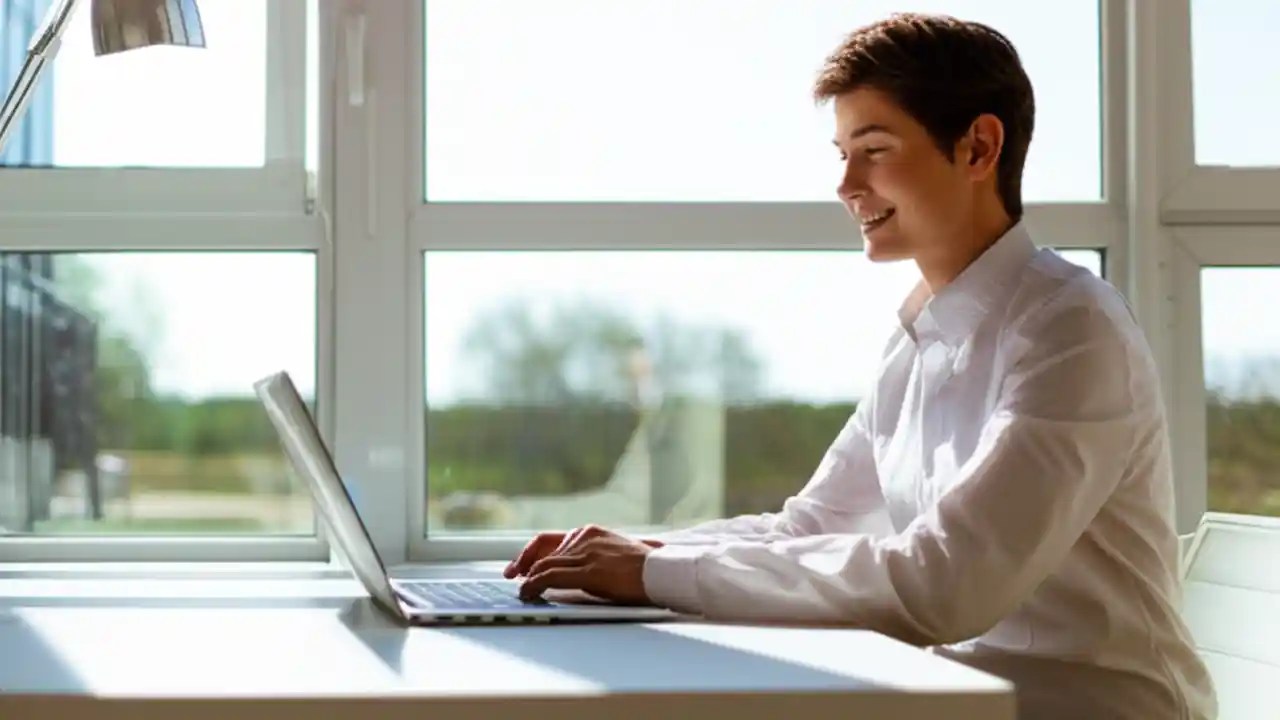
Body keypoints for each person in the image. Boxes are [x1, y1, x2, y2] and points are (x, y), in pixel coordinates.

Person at [503, 13, 1216, 720]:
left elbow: (945, 585)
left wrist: (653, 571)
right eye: (842, 152)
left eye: (873, 149)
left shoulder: (1072, 328)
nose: (846, 183)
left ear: (978, 147)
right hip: (953, 703)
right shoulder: (916, 342)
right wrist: (626, 554)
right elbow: (807, 528)